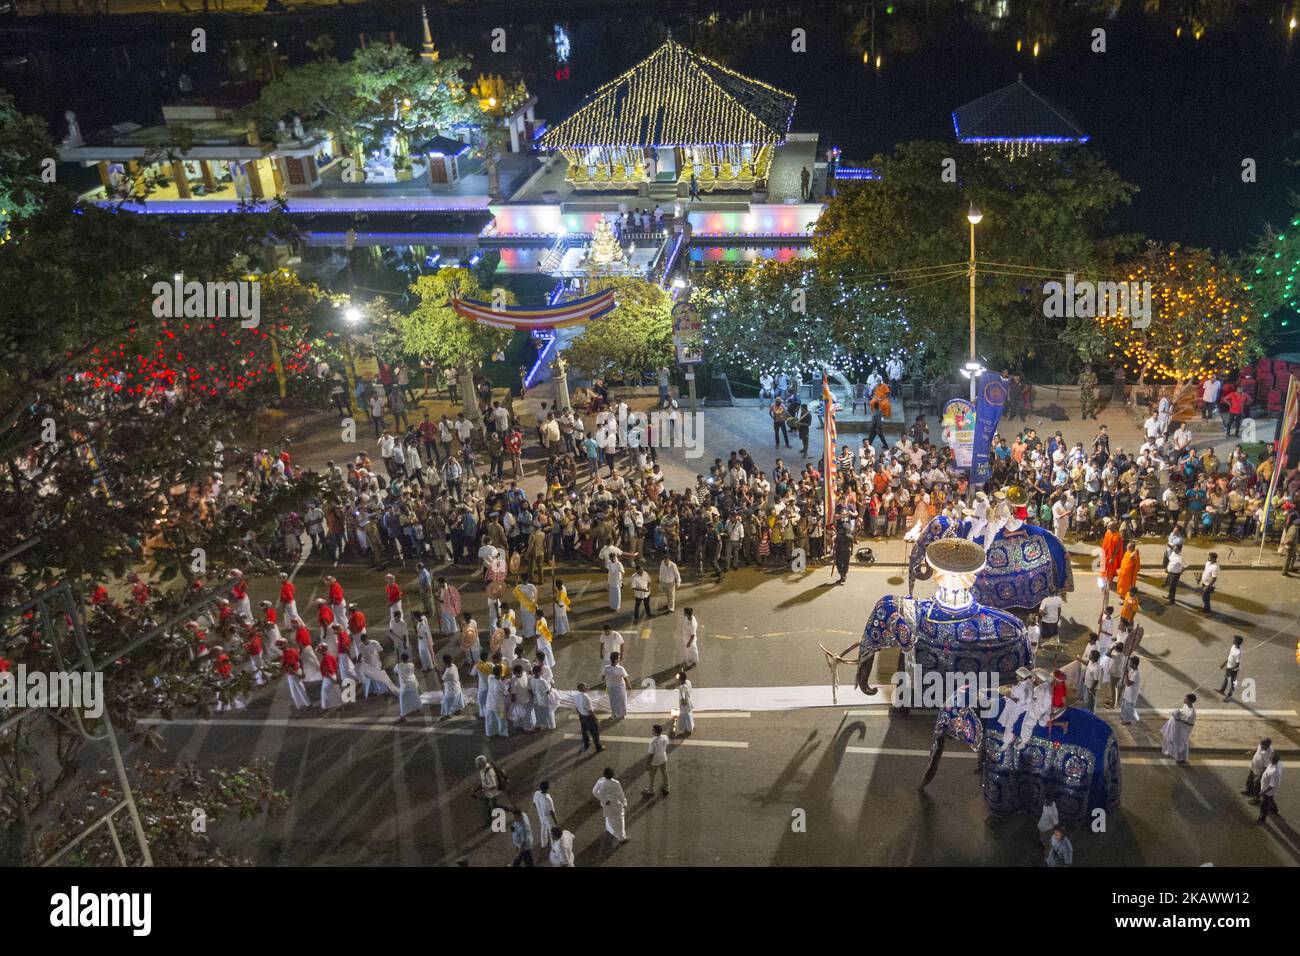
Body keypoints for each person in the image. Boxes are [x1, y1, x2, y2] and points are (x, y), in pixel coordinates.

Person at [592, 767, 629, 844]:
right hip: (616, 804)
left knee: (609, 817)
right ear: (612, 775)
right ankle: (622, 838)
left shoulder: (600, 782)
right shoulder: (616, 783)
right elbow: (621, 794)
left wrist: (604, 800)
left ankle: (610, 829)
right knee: (619, 820)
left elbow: (595, 792)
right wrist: (624, 802)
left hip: (606, 805)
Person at [1160, 693, 1197, 764]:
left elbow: (1189, 723)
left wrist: (1179, 720)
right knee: (1175, 741)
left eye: (1186, 699)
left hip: (1183, 729)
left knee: (1181, 743)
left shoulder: (1192, 713)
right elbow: (1182, 712)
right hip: (1178, 727)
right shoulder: (1186, 705)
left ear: (1189, 701)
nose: (1184, 699)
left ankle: (1181, 758)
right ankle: (1174, 754)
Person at [472, 755, 502, 825]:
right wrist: (477, 789)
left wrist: (484, 789)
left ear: (482, 764)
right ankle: (488, 822)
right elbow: (483, 782)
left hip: (493, 793)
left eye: (478, 764)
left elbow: (494, 785)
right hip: (487, 792)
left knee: (495, 806)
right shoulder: (482, 770)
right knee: (486, 805)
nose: (477, 766)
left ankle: (512, 809)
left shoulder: (489, 772)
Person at [573, 682, 603, 752]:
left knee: (584, 729)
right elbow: (590, 711)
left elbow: (576, 707)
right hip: (588, 717)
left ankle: (586, 742)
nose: (588, 686)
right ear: (583, 688)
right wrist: (596, 719)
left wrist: (580, 713)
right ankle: (598, 747)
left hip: (581, 715)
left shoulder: (576, 696)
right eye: (586, 686)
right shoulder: (587, 698)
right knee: (594, 732)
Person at [395, 652, 423, 722]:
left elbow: (396, 671)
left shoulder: (399, 665)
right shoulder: (411, 664)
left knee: (402, 700)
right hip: (413, 683)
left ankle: (402, 716)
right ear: (408, 658)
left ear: (401, 659)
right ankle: (418, 709)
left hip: (405, 686)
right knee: (415, 697)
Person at [1257, 752, 1282, 824]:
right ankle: (1275, 810)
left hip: (1267, 790)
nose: (1268, 758)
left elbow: (1271, 785)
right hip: (1266, 788)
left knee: (1264, 805)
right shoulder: (1277, 764)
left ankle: (1262, 818)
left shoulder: (1275, 771)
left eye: (1270, 757)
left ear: (1272, 760)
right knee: (1270, 799)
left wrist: (1262, 792)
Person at [604, 651, 630, 719]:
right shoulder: (620, 668)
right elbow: (625, 678)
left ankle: (614, 714)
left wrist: (607, 681)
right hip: (620, 687)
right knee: (622, 700)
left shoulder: (606, 668)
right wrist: (629, 685)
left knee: (613, 701)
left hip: (610, 687)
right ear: (616, 660)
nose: (619, 659)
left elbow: (603, 676)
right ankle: (622, 713)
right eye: (618, 658)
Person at [533, 781, 557, 851]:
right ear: (547, 788)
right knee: (552, 831)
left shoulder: (536, 794)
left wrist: (539, 810)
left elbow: (534, 804)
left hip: (541, 816)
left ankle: (544, 843)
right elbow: (551, 811)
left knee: (543, 829)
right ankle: (554, 847)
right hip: (548, 818)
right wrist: (555, 821)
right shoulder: (548, 799)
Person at [1219, 634, 1243, 700]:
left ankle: (1229, 696)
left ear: (1237, 642)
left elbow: (1238, 664)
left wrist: (1230, 669)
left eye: (1234, 640)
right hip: (1229, 666)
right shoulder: (1233, 646)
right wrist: (1224, 664)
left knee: (1233, 683)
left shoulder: (1238, 652)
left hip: (1234, 669)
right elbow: (1230, 656)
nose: (1233, 640)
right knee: (1226, 678)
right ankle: (1222, 690)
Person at [439, 654, 464, 718]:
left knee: (446, 702)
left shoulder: (448, 672)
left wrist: (438, 672)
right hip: (457, 686)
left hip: (452, 690)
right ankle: (459, 709)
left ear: (444, 662)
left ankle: (447, 714)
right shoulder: (454, 665)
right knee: (458, 699)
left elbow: (442, 680)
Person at [1119, 655, 1142, 724]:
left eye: (1130, 663)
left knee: (1128, 708)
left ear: (1134, 665)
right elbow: (1127, 681)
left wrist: (1125, 673)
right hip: (1127, 693)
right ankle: (1124, 717)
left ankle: (1127, 721)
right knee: (1124, 706)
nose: (1129, 664)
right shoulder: (1132, 670)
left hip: (1131, 695)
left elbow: (1129, 683)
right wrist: (1123, 686)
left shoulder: (1136, 674)